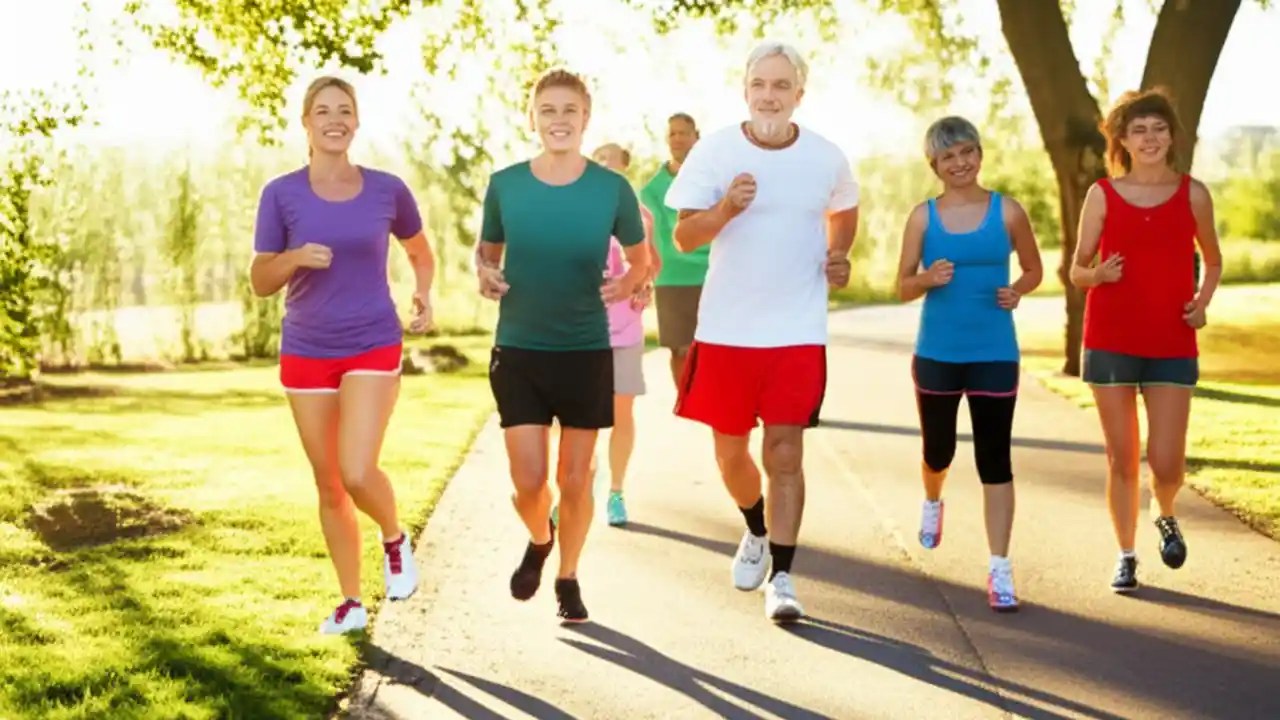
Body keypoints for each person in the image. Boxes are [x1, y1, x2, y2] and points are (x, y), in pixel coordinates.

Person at [665, 42, 859, 623]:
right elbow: (683, 238)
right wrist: (725, 208)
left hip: (797, 329)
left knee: (784, 451)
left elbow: (844, 207)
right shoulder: (716, 150)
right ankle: (755, 526)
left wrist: (840, 251)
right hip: (727, 330)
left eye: (781, 86)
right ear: (745, 90)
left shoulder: (826, 157)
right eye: (760, 85)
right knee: (730, 454)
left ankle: (784, 576)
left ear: (799, 94)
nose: (769, 95)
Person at [250, 76, 433, 635]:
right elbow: (260, 279)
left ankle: (395, 540)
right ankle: (351, 603)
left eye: (344, 110)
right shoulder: (280, 194)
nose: (335, 119)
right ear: (305, 123)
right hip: (306, 348)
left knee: (356, 469)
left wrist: (422, 293)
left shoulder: (387, 190)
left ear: (357, 121)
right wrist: (294, 257)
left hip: (373, 339)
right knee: (329, 481)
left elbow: (421, 252)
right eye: (323, 110)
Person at [475, 69, 649, 623]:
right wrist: (484, 273)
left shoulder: (611, 189)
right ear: (532, 118)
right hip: (521, 350)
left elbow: (641, 258)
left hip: (584, 351)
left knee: (576, 479)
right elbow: (486, 254)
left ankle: (568, 574)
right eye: (547, 110)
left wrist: (627, 282)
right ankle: (540, 536)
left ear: (585, 118)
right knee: (529, 484)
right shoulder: (505, 185)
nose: (558, 120)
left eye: (569, 111)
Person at [1070, 88, 1222, 593]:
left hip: (1173, 340)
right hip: (1111, 337)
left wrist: (1200, 304)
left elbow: (1214, 261)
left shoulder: (1193, 193)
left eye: (1159, 128)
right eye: (1140, 130)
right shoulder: (1102, 195)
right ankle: (1126, 554)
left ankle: (1166, 509)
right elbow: (1075, 270)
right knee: (1121, 456)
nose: (1151, 138)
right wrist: (1099, 276)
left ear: (1171, 136)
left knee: (1167, 460)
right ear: (1123, 141)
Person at [895, 116, 1043, 612]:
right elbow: (901, 286)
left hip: (995, 351)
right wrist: (927, 278)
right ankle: (933, 499)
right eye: (948, 157)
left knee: (994, 458)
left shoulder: (1009, 212)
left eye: (966, 153)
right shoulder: (922, 218)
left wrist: (1017, 291)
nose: (959, 164)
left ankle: (1000, 568)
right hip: (938, 351)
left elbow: (1034, 268)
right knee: (938, 451)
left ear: (979, 154)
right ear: (934, 165)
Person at [591, 142, 660, 526]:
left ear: (624, 169)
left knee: (621, 415)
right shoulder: (578, 211)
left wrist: (646, 283)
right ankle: (578, 483)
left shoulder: (641, 216)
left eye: (610, 162)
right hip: (580, 331)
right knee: (576, 419)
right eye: (597, 161)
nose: (603, 168)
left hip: (625, 330)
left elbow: (653, 264)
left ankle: (615, 492)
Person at [641, 113, 707, 388]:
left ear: (696, 137)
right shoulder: (652, 190)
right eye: (673, 134)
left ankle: (718, 400)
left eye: (684, 133)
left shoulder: (713, 180)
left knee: (720, 347)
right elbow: (657, 238)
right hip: (673, 277)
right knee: (680, 348)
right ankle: (687, 401)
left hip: (713, 274)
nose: (678, 139)